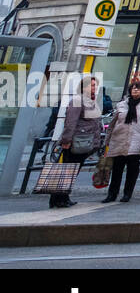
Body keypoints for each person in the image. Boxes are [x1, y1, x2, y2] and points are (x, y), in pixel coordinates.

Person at [102, 80, 140, 203]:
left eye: (138, 88)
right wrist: (107, 141)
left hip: (137, 140)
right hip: (119, 139)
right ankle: (112, 194)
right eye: (133, 88)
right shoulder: (122, 104)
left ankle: (127, 194)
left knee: (132, 169)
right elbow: (113, 123)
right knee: (116, 169)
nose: (135, 90)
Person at [50, 76, 103, 209]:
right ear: (82, 87)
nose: (94, 88)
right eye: (91, 85)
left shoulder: (91, 101)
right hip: (76, 142)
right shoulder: (77, 100)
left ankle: (62, 198)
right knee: (68, 171)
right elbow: (70, 122)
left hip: (85, 142)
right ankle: (59, 199)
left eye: (95, 85)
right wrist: (66, 140)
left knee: (72, 171)